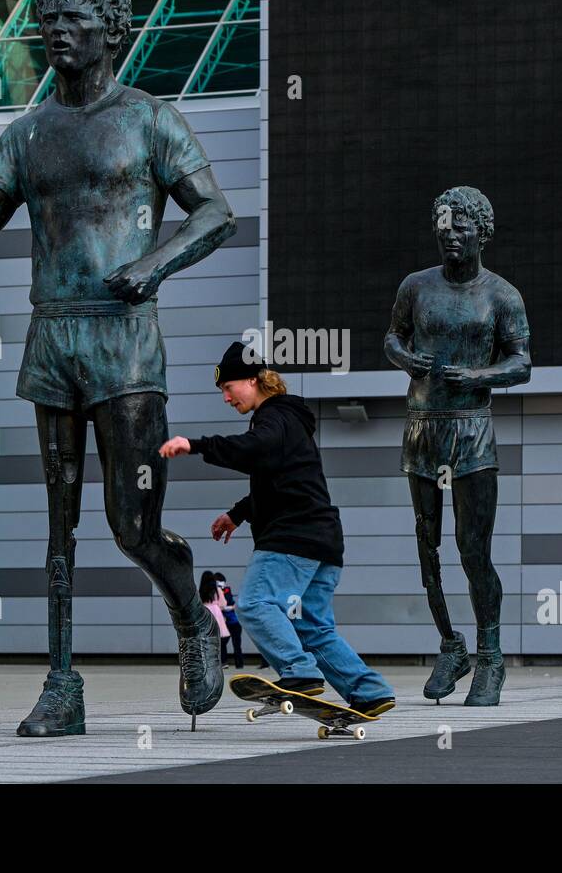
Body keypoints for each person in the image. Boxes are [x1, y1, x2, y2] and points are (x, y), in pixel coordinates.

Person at [0, 0, 236, 736]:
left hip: (126, 348)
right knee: (59, 525)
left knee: (132, 526)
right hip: (53, 335)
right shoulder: (26, 137)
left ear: (111, 31)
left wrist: (150, 266)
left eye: (75, 17)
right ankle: (63, 683)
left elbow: (215, 213)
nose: (57, 27)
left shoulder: (150, 119)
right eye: (48, 16)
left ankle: (191, 613)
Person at [159, 342, 395, 716]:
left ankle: (299, 671)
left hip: (293, 539)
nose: (225, 398)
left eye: (228, 388)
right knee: (312, 627)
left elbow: (255, 449)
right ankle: (369, 690)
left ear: (252, 380)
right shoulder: (290, 421)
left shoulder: (274, 417)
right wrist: (238, 513)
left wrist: (196, 445)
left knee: (254, 603)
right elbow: (279, 481)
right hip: (324, 542)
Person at [383, 185, 532, 705]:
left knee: (473, 548)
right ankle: (451, 643)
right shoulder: (416, 286)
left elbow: (522, 363)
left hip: (472, 429)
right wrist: (404, 359)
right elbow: (392, 338)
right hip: (423, 426)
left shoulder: (501, 295)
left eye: (460, 226)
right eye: (443, 224)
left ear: (482, 235)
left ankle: (491, 656)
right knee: (428, 546)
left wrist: (479, 374)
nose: (449, 233)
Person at [213, 572, 246, 669]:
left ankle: (239, 664)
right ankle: (224, 662)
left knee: (236, 643)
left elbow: (226, 604)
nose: (221, 584)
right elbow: (222, 606)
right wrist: (230, 607)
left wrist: (229, 607)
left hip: (234, 621)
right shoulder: (214, 593)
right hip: (224, 622)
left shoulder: (227, 590)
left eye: (222, 582)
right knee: (222, 642)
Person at [200, 571, 230, 659]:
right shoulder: (217, 589)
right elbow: (223, 603)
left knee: (207, 636)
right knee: (219, 635)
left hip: (205, 611)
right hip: (216, 612)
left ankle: (208, 658)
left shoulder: (201, 590)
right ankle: (222, 660)